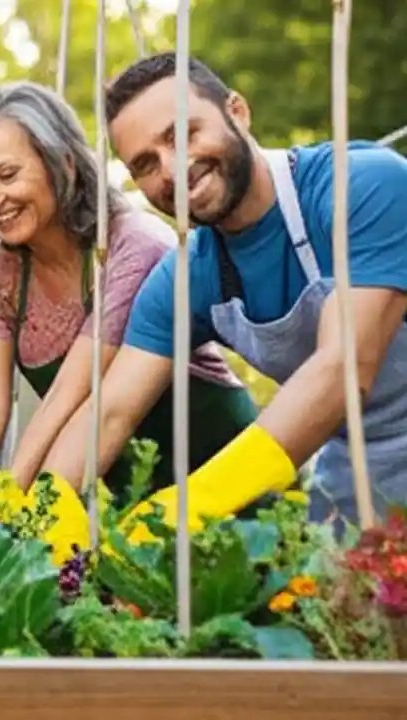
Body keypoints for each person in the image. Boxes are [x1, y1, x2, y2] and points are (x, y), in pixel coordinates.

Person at [44, 53, 407, 535]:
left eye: (183, 134)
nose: (173, 170)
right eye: (146, 164)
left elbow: (343, 368)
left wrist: (201, 499)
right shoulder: (188, 276)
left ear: (237, 111)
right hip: (357, 466)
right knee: (336, 605)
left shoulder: (360, 184)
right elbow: (109, 411)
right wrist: (45, 509)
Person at [0, 81, 257, 562]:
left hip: (224, 482)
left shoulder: (132, 246)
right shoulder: (2, 273)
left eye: (6, 174)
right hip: (126, 508)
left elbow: (76, 391)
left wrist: (13, 498)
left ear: (64, 164)